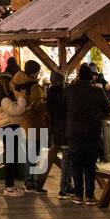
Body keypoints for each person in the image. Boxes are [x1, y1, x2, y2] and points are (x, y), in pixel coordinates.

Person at [65, 64, 110, 205]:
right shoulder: (98, 91)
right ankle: (90, 196)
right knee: (90, 165)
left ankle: (78, 195)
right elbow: (108, 109)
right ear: (91, 77)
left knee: (76, 164)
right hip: (92, 131)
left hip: (74, 131)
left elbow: (63, 107)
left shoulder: (69, 90)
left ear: (78, 76)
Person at [0, 71, 29, 196]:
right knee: (10, 158)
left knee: (11, 157)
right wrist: (21, 97)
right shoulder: (4, 100)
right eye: (11, 82)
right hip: (9, 129)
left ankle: (10, 185)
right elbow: (17, 111)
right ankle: (9, 187)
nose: (13, 84)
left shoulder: (3, 99)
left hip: (9, 129)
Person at [19, 61, 49, 193]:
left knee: (29, 155)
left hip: (24, 123)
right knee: (34, 156)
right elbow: (38, 106)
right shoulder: (35, 87)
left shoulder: (19, 84)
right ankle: (31, 183)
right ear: (35, 72)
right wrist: (46, 102)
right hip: (36, 124)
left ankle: (29, 182)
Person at [47, 70, 72, 198]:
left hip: (56, 129)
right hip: (66, 129)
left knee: (67, 158)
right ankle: (64, 188)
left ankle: (69, 186)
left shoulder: (49, 93)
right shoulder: (63, 93)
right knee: (67, 158)